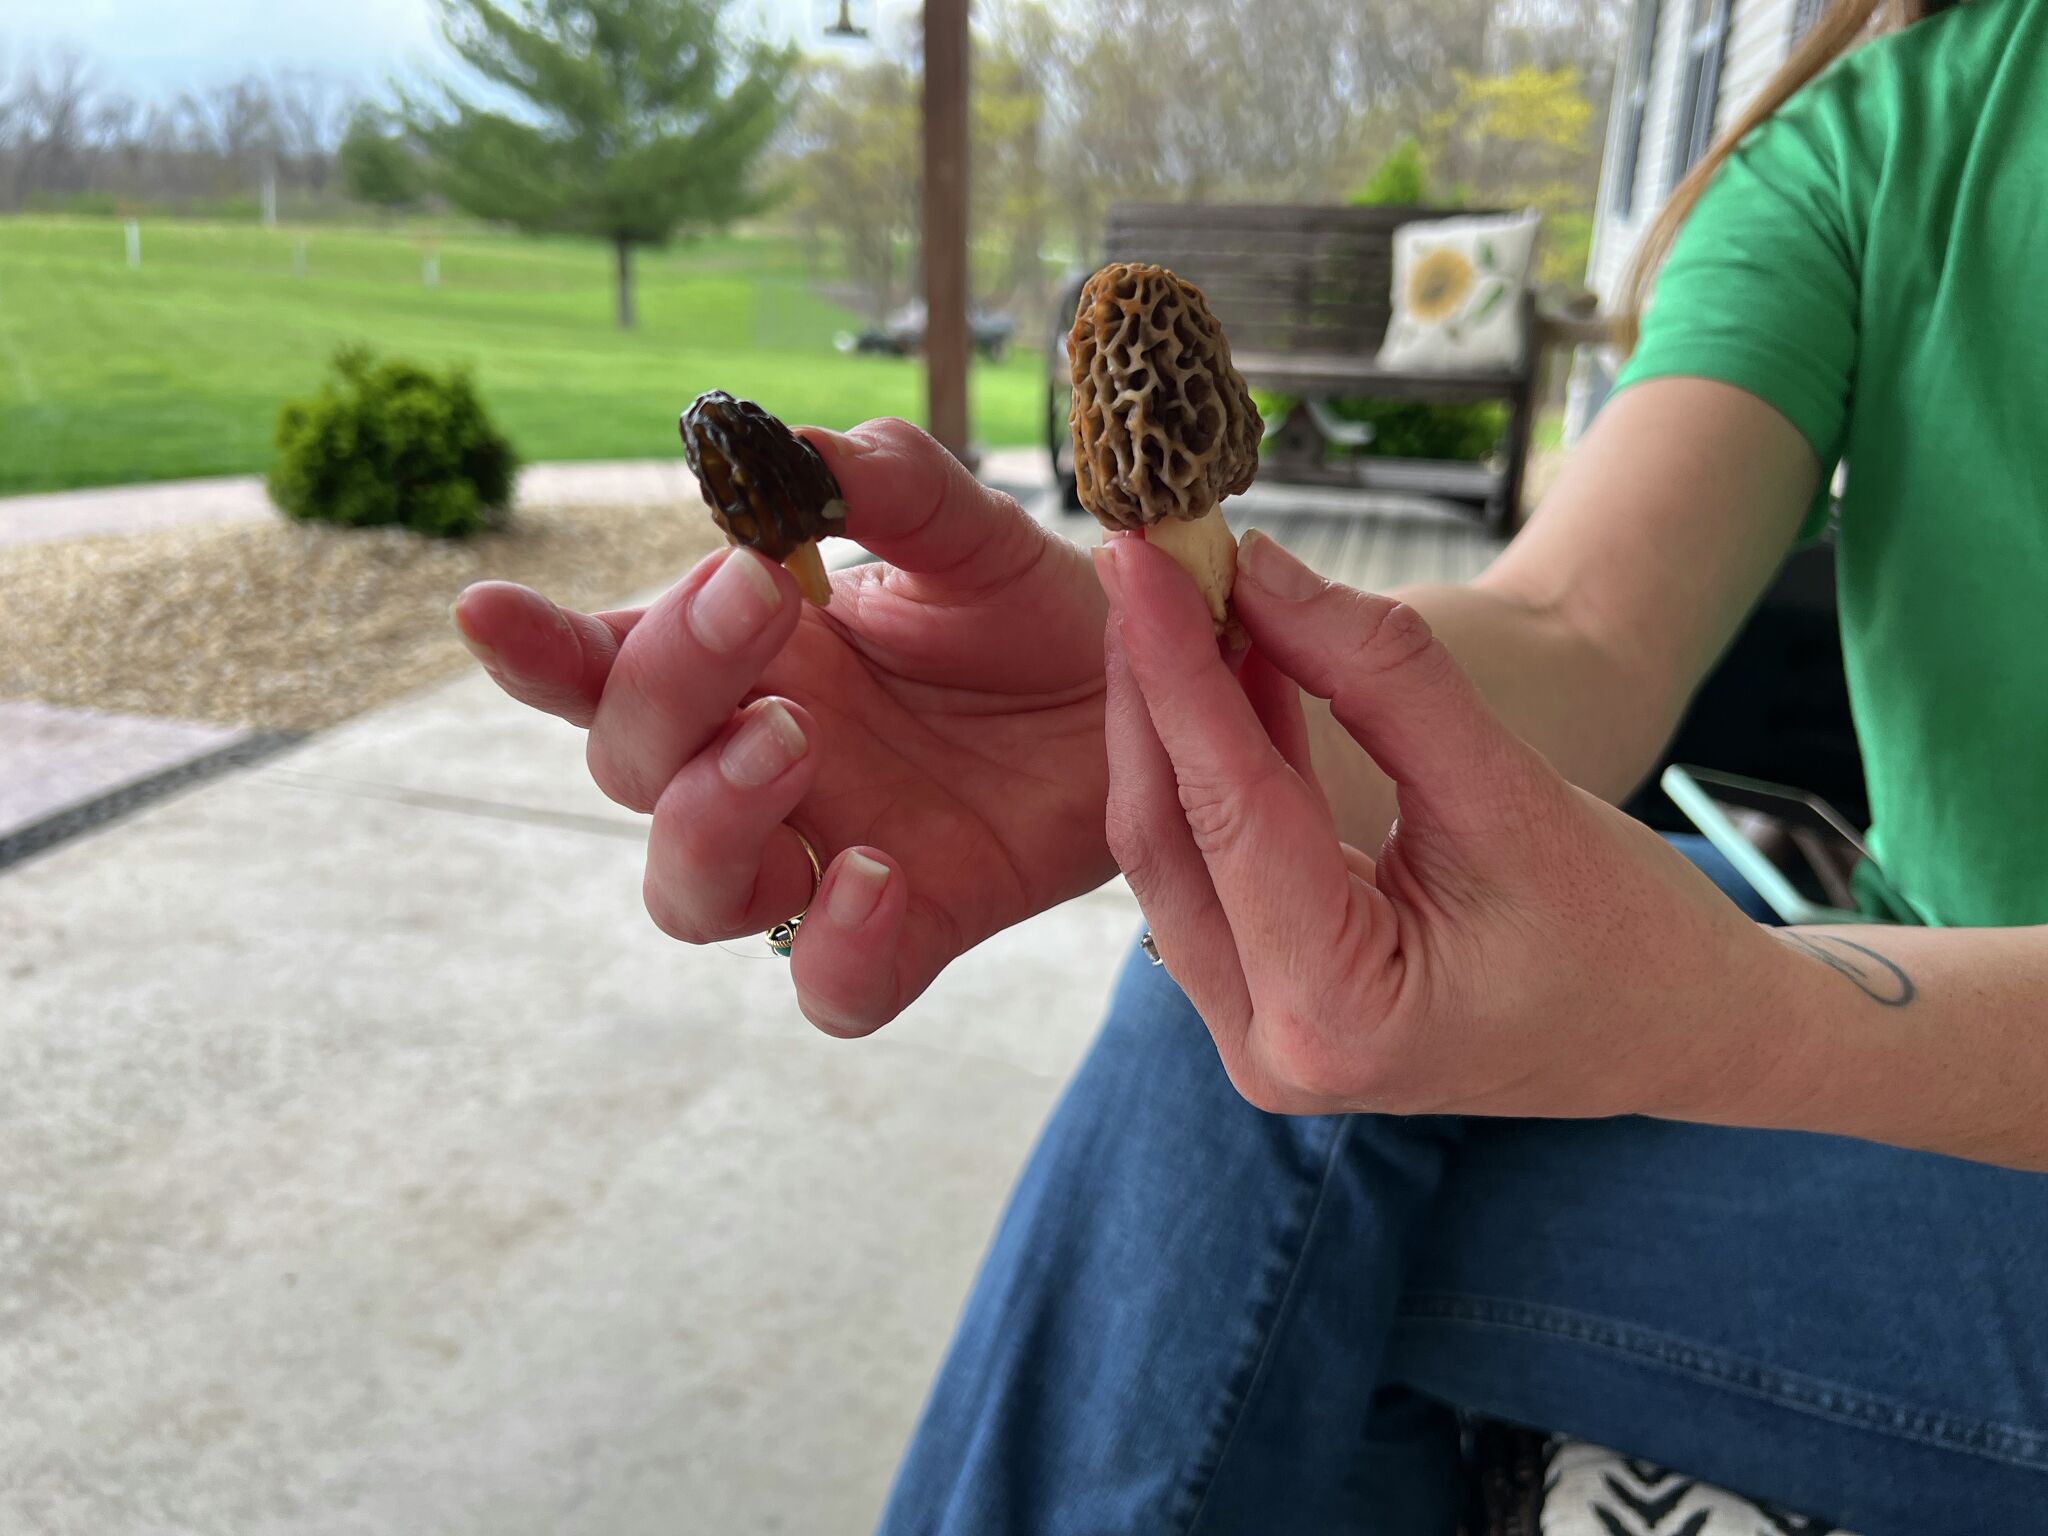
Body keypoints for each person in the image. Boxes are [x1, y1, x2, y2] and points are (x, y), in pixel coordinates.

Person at [450, 0, 2048, 1523]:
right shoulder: (1888, 131)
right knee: (1240, 1027)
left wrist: (1747, 1027)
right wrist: (1130, 709)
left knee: (1238, 1298)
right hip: (1903, 923)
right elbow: (1580, 628)